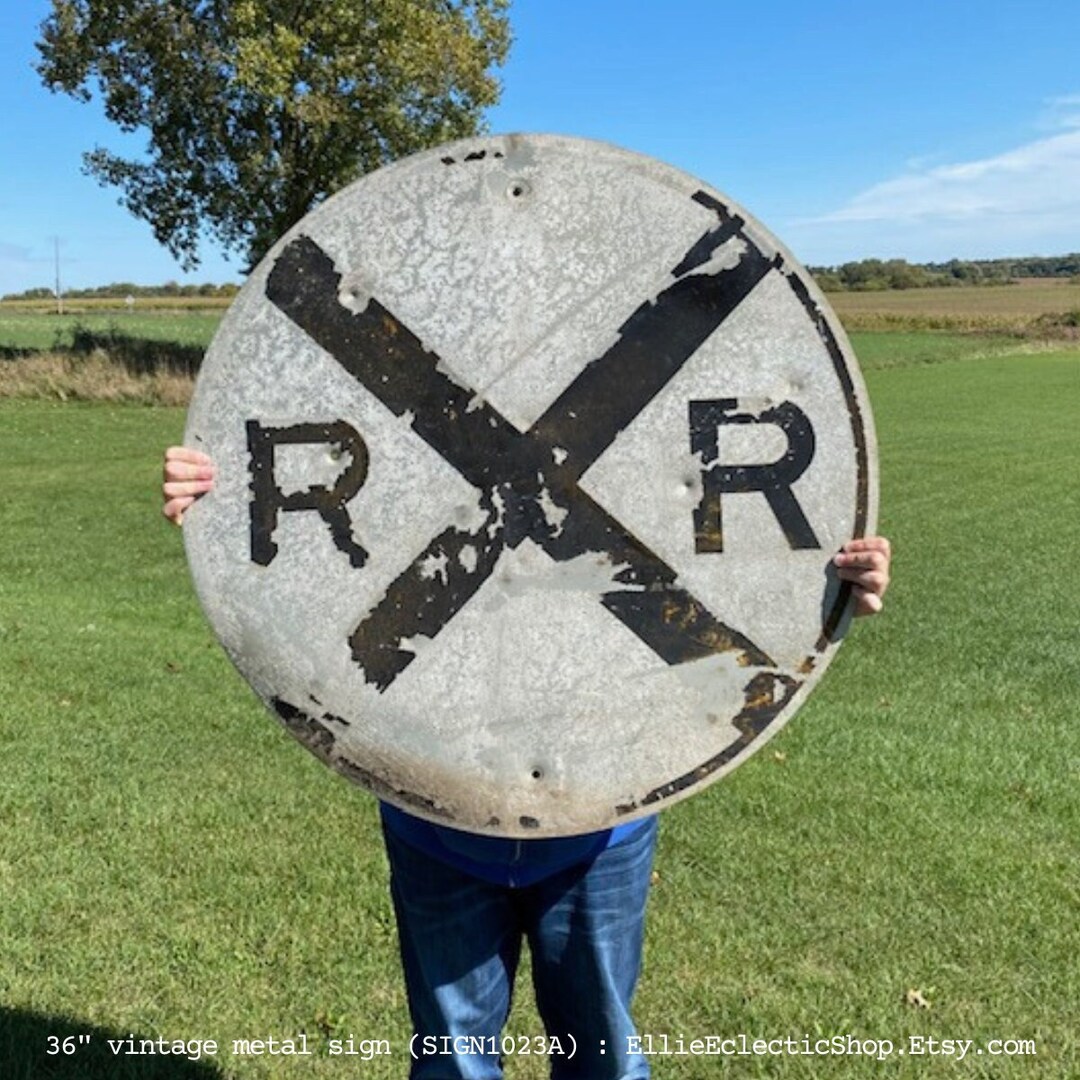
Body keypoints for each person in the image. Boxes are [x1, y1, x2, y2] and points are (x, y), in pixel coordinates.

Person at [162, 445, 892, 1079]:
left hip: (599, 824)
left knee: (601, 1060)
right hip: (437, 814)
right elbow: (329, 527)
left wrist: (820, 590)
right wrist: (221, 491)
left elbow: (705, 521)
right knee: (453, 1064)